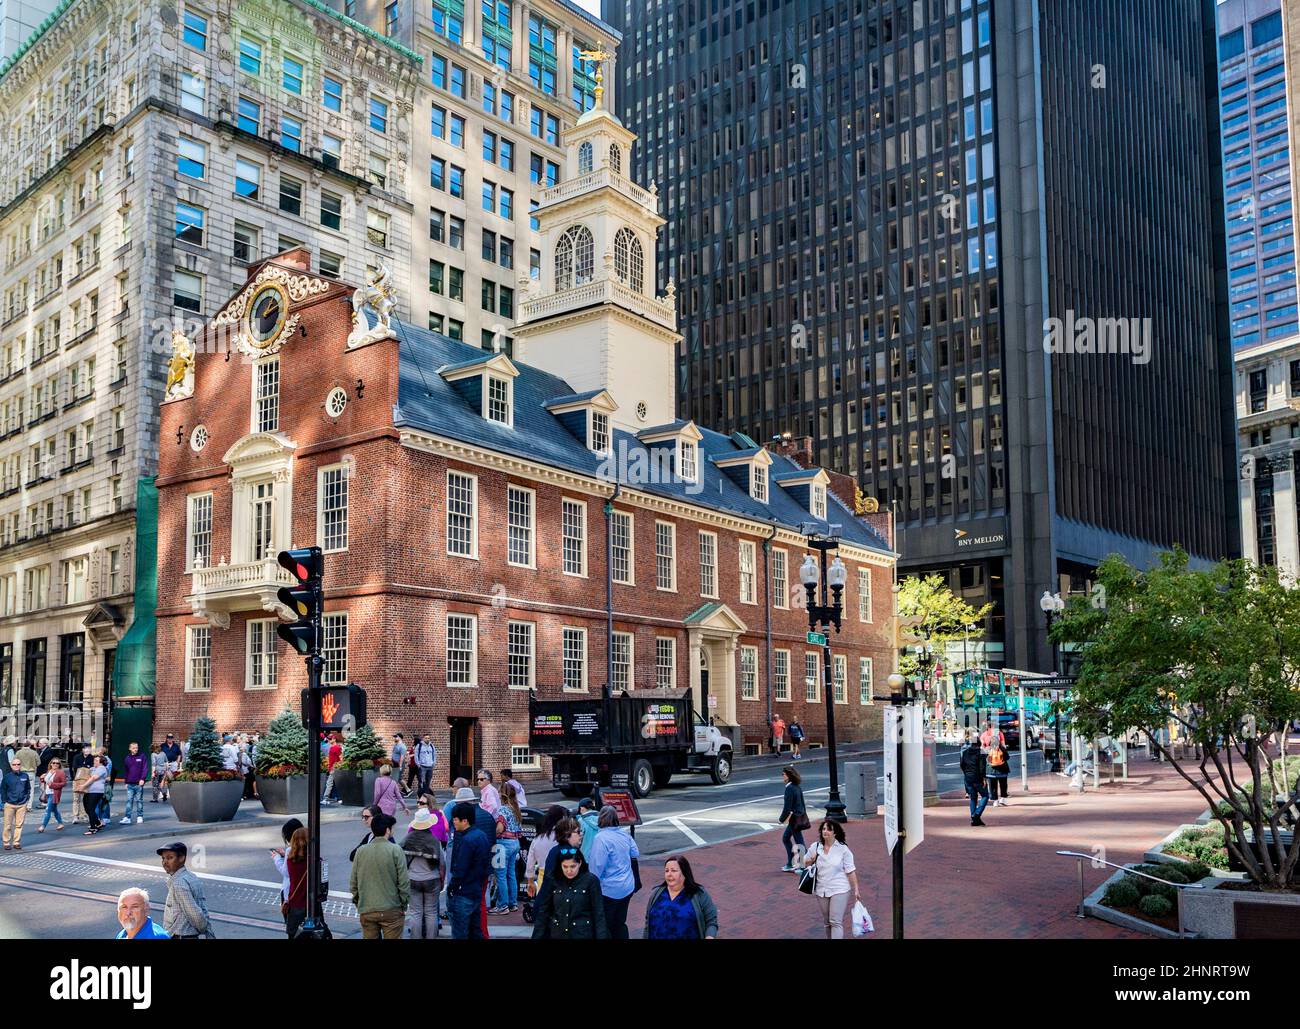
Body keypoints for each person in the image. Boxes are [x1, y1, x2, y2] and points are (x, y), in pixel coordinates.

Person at [350, 812, 410, 939]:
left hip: (367, 908)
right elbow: (403, 881)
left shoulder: (361, 851)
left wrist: (358, 902)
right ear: (387, 830)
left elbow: (353, 883)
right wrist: (403, 904)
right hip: (391, 908)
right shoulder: (395, 850)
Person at [531, 844, 608, 939]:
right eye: (565, 866)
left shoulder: (591, 881)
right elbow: (544, 911)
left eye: (573, 866)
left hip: (582, 934)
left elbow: (598, 913)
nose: (569, 870)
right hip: (558, 934)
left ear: (579, 863)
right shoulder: (553, 879)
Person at [800, 819, 860, 939]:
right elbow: (803, 862)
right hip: (821, 889)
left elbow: (850, 870)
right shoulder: (816, 847)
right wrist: (811, 860)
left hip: (840, 889)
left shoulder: (843, 849)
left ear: (835, 833)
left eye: (828, 829)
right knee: (827, 922)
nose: (825, 831)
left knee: (835, 921)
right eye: (823, 829)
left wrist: (856, 889)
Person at [587, 805, 640, 940]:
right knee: (620, 922)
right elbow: (635, 853)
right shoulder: (624, 834)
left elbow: (596, 868)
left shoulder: (601, 838)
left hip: (609, 889)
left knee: (606, 925)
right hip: (627, 886)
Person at [643, 855, 719, 939]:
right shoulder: (656, 893)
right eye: (666, 871)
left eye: (674, 871)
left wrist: (709, 936)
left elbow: (711, 921)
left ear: (684, 873)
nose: (669, 874)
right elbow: (648, 923)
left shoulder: (699, 894)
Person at [447, 801, 491, 939]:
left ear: (464, 821)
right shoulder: (481, 835)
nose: (453, 822)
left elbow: (460, 869)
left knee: (460, 932)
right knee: (475, 931)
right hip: (476, 890)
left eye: (455, 819)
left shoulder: (466, 840)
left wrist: (452, 888)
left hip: (463, 892)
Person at [402, 808, 444, 938]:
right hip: (432, 879)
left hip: (412, 879)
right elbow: (442, 864)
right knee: (431, 912)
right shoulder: (433, 840)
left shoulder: (407, 839)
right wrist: (442, 880)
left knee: (415, 912)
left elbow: (401, 862)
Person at [158, 842, 213, 939]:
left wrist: (203, 929)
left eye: (170, 858)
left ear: (182, 858)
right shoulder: (191, 877)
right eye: (163, 858)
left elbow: (195, 914)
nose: (165, 862)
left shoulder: (179, 884)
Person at [489, 781, 524, 914]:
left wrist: (492, 833)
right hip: (515, 843)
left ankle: (502, 905)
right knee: (511, 874)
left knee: (500, 876)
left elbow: (499, 828)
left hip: (502, 844)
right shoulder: (515, 808)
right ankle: (512, 903)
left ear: (502, 794)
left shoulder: (503, 809)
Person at [525, 805, 569, 898]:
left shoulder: (538, 839)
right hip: (563, 876)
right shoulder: (563, 836)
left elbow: (530, 863)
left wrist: (530, 882)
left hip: (543, 877)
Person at [778, 765, 808, 872]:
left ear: (788, 776)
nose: (782, 776)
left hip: (794, 819)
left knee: (799, 842)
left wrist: (781, 819)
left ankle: (803, 865)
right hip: (798, 817)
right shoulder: (796, 786)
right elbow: (802, 803)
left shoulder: (789, 788)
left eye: (783, 774)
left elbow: (787, 807)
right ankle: (790, 863)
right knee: (786, 838)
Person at [283, 827, 310, 938]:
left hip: (294, 905)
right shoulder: (313, 861)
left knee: (293, 935)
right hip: (310, 906)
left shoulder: (290, 860)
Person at [960, 731, 990, 827]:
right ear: (979, 744)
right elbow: (982, 768)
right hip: (977, 777)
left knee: (973, 798)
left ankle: (974, 817)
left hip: (968, 777)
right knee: (985, 795)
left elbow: (962, 765)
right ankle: (977, 814)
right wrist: (984, 778)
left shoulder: (965, 752)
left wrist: (966, 773)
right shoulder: (981, 753)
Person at [2, 757, 31, 850]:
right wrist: (4, 801)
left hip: (22, 804)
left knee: (19, 825)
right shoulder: (7, 777)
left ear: (20, 765)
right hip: (10, 804)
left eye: (18, 764)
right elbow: (2, 789)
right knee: (7, 825)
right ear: (11, 766)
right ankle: (6, 842)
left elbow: (28, 788)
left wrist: (26, 798)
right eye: (14, 764)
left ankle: (16, 842)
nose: (16, 766)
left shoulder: (25, 776)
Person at [78, 754, 108, 834]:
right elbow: (85, 772)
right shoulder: (93, 768)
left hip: (96, 791)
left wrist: (83, 786)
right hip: (89, 791)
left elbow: (94, 778)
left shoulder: (102, 768)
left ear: (101, 762)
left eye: (96, 760)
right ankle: (98, 823)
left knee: (91, 809)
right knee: (87, 808)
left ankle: (93, 828)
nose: (94, 761)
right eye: (94, 760)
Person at [982, 723, 1011, 806]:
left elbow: (984, 756)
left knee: (992, 786)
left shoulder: (985, 738)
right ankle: (1002, 798)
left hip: (991, 771)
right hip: (1002, 770)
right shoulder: (1001, 744)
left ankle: (995, 801)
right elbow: (1007, 757)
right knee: (1003, 784)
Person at [121, 742, 148, 825]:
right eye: (133, 748)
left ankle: (140, 816)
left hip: (139, 783)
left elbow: (145, 768)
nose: (135, 749)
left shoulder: (142, 756)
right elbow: (126, 771)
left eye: (136, 747)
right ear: (130, 748)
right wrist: (126, 781)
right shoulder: (127, 758)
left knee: (139, 800)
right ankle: (127, 817)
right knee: (129, 800)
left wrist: (142, 779)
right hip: (130, 784)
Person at [38, 758, 66, 832]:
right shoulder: (48, 772)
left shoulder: (61, 772)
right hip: (47, 793)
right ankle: (60, 823)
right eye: (53, 763)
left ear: (59, 765)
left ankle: (43, 826)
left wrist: (53, 784)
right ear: (50, 763)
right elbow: (46, 781)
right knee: (54, 810)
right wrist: (42, 779)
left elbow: (63, 783)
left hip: (54, 793)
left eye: (57, 763)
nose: (55, 764)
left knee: (48, 810)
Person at [70, 744, 93, 824]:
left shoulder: (92, 758)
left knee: (84, 799)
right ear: (83, 749)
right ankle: (75, 816)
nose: (88, 750)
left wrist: (83, 767)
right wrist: (86, 767)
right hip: (77, 780)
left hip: (87, 781)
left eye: (89, 749)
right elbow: (75, 767)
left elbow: (92, 769)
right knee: (76, 799)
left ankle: (84, 815)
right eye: (86, 749)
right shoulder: (77, 757)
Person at [15, 740, 38, 810]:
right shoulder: (34, 753)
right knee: (31, 790)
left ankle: (21, 804)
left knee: (21, 789)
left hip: (21, 772)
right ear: (30, 745)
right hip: (31, 772)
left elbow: (14, 761)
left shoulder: (18, 753)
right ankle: (29, 806)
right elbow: (38, 762)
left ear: (22, 745)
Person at [575, 795, 600, 860]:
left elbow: (578, 840)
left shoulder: (581, 821)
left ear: (582, 808)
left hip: (584, 856)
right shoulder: (601, 818)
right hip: (598, 856)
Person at [323, 733, 344, 805]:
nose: (329, 740)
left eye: (330, 739)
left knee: (329, 783)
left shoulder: (336, 747)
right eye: (328, 739)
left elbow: (341, 757)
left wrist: (338, 766)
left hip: (334, 768)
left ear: (334, 739)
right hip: (333, 768)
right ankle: (339, 798)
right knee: (334, 784)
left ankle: (325, 798)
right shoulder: (332, 747)